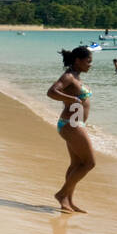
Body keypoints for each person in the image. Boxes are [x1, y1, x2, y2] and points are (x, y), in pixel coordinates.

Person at [47, 46, 95, 213]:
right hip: (71, 124)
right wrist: (72, 98)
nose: (90, 65)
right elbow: (51, 92)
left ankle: (67, 201)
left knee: (76, 164)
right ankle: (62, 194)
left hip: (73, 124)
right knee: (89, 163)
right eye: (88, 61)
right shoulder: (68, 77)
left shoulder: (75, 77)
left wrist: (73, 98)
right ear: (78, 60)